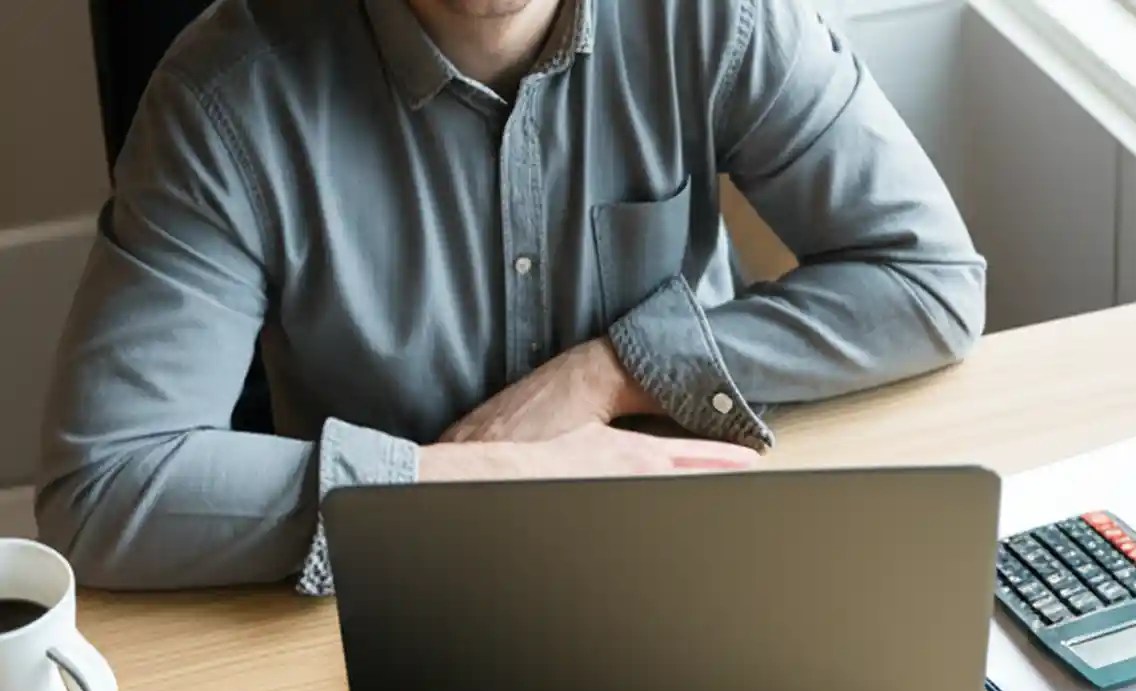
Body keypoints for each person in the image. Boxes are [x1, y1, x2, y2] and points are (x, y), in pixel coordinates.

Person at [38, 0, 986, 595]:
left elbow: (928, 278)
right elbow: (105, 487)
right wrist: (462, 478)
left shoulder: (718, 16)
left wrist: (613, 370)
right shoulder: (226, 97)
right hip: (403, 600)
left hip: (682, 556)